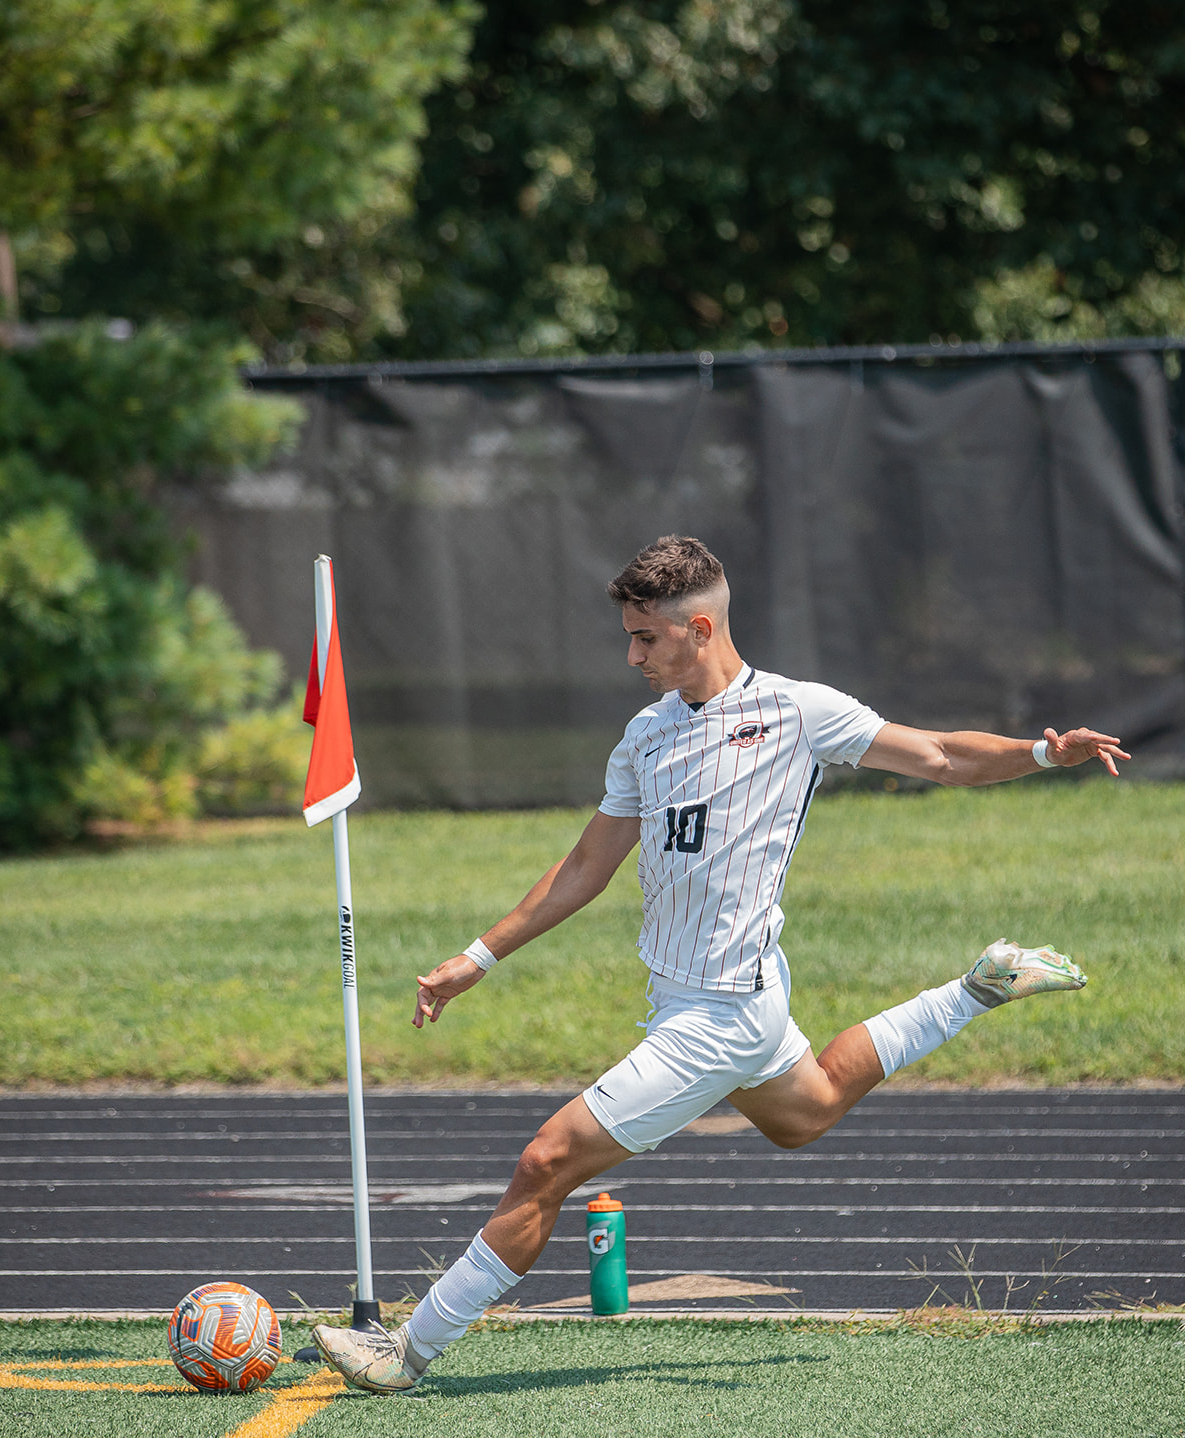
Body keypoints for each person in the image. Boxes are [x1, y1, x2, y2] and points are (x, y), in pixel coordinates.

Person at [315, 535, 1128, 1392]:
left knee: (545, 1164)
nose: (631, 655)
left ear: (700, 628)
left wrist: (1043, 754)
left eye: (646, 638)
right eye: (628, 636)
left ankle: (407, 1351)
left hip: (723, 1014)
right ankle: (977, 986)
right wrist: (478, 957)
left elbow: (939, 755)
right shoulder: (644, 735)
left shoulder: (798, 711)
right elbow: (588, 865)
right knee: (804, 1112)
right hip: (718, 998)